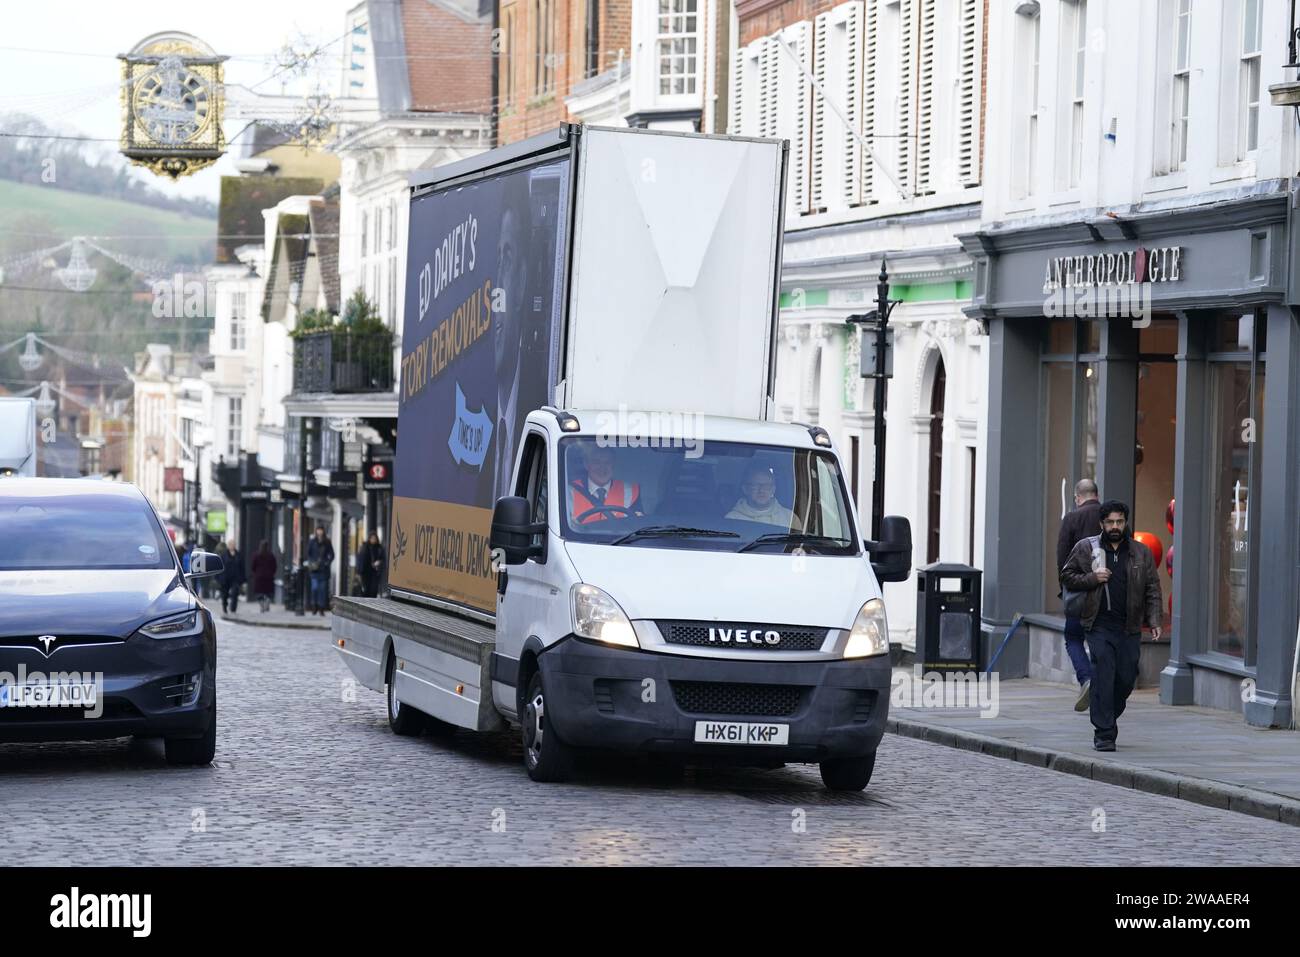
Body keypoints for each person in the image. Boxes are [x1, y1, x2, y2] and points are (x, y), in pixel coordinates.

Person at [1059, 500, 1163, 752]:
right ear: (1101, 524)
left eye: (1119, 521)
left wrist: (1155, 619)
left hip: (1129, 626)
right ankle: (1104, 733)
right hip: (1098, 624)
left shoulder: (1141, 552)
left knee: (1126, 678)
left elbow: (1152, 588)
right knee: (1104, 671)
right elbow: (1066, 575)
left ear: (1125, 522)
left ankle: (1106, 713)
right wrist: (1092, 578)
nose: (1115, 526)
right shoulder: (1087, 548)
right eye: (1110, 522)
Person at [1057, 479, 1101, 711]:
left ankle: (1086, 678)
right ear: (1096, 494)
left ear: (1077, 497)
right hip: (1106, 593)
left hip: (1079, 593)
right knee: (1099, 638)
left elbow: (1062, 558)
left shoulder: (1071, 519)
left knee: (1073, 638)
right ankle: (1100, 683)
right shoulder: (1109, 517)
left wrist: (1063, 589)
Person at [566, 444, 641, 524]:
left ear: (613, 465)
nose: (602, 467)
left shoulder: (631, 491)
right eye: (596, 462)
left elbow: (638, 524)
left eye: (607, 462)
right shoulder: (569, 491)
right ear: (586, 465)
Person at [726, 464, 796, 528]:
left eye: (767, 486)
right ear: (745, 489)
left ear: (773, 489)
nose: (761, 490)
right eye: (755, 486)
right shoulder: (731, 519)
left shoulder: (789, 517)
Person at [305, 526, 335, 615]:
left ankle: (321, 608)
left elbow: (332, 554)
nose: (320, 532)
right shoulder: (312, 542)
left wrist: (327, 562)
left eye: (321, 530)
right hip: (314, 570)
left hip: (324, 570)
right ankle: (314, 606)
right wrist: (311, 562)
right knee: (314, 588)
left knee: (322, 590)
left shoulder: (327, 542)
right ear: (316, 531)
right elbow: (308, 553)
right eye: (318, 530)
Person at [218, 539, 246, 616]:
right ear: (228, 546)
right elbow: (220, 567)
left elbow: (242, 567)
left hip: (235, 578)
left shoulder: (239, 555)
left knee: (235, 593)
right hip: (226, 578)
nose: (232, 546)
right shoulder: (224, 555)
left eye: (233, 544)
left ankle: (233, 609)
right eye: (231, 544)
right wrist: (219, 578)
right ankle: (224, 606)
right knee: (225, 594)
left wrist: (243, 579)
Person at [356, 532, 385, 598]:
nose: (373, 540)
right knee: (366, 590)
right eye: (372, 538)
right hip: (365, 571)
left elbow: (382, 558)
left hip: (375, 571)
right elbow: (360, 559)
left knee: (374, 590)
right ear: (369, 539)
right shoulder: (365, 547)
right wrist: (358, 571)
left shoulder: (379, 548)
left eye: (375, 538)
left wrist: (379, 562)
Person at [251, 540, 277, 612]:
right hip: (269, 577)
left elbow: (253, 566)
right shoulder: (271, 555)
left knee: (259, 593)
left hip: (259, 577)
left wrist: (255, 573)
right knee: (268, 593)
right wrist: (272, 573)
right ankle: (267, 603)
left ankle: (262, 605)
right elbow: (274, 566)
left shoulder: (256, 555)